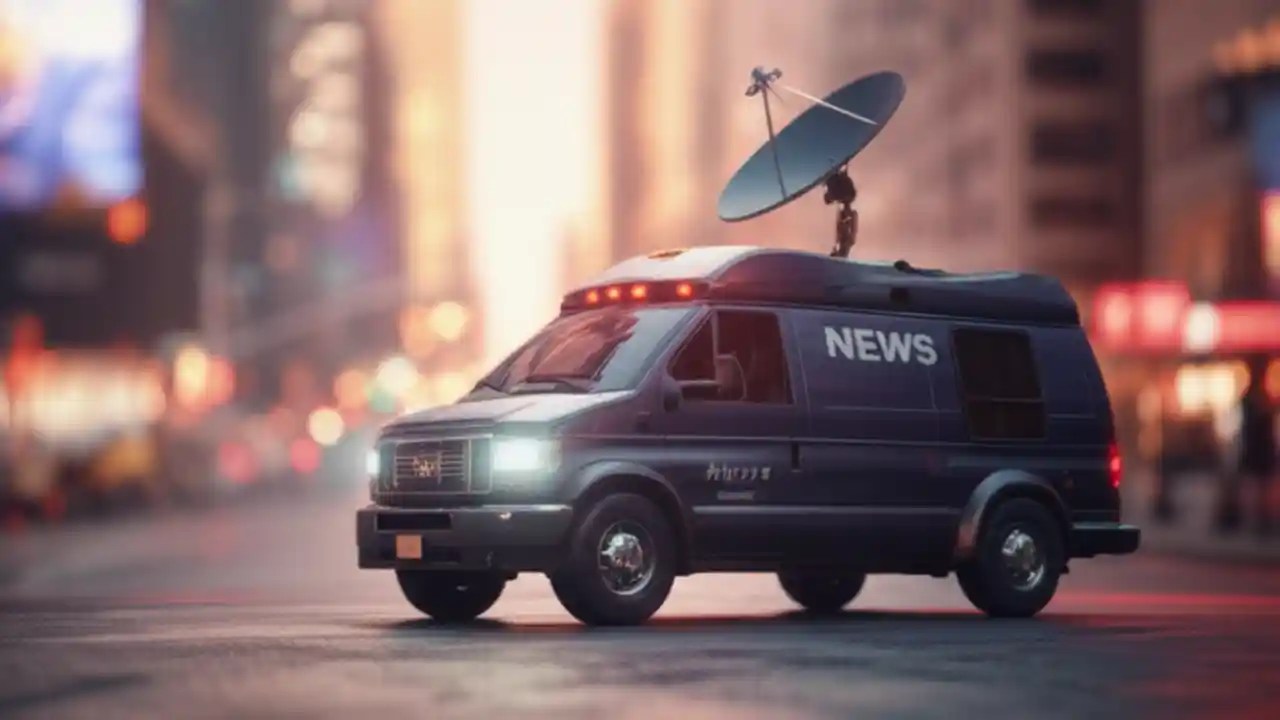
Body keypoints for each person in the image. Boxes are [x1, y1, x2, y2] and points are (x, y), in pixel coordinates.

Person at [1216, 357, 1277, 534]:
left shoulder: (1254, 399)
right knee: (1258, 487)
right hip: (1258, 450)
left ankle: (1260, 521)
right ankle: (1260, 522)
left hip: (1256, 450)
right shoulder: (1260, 399)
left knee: (1258, 487)